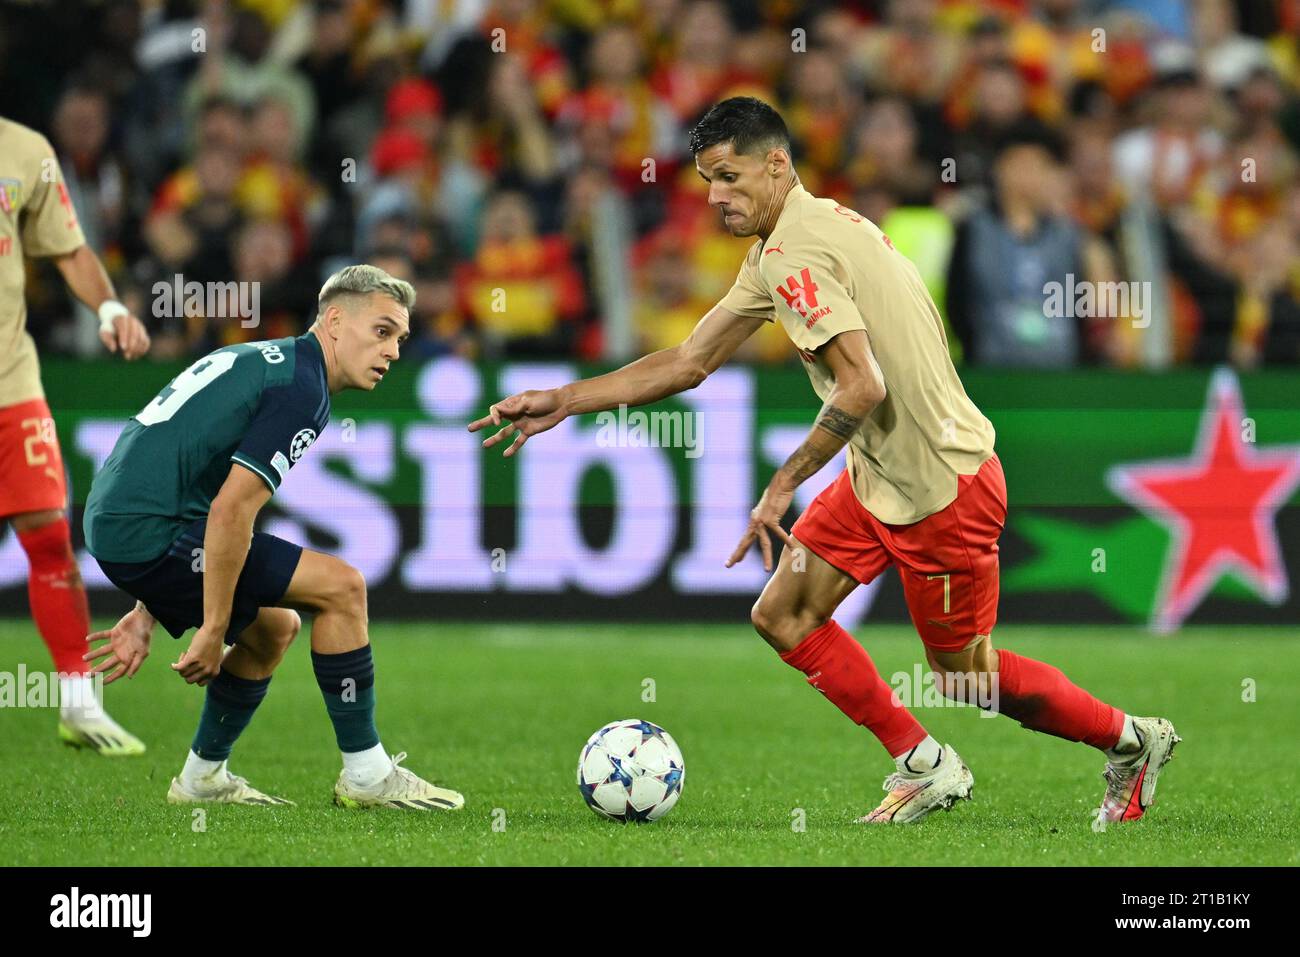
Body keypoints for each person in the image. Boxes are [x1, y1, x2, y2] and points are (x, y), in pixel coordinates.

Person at [469, 97, 1179, 826]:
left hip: (943, 488)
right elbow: (689, 360)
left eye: (729, 177)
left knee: (966, 676)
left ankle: (1132, 741)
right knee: (783, 613)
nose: (715, 197)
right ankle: (924, 764)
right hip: (878, 479)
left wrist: (783, 484)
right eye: (708, 181)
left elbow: (862, 385)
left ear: (776, 164)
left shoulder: (794, 254)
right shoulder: (801, 235)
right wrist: (566, 398)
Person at [82, 265, 464, 811]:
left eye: (400, 338)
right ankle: (367, 774)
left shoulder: (268, 360)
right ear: (335, 321)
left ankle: (201, 780)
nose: (393, 351)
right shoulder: (301, 388)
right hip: (147, 529)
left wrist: (148, 610)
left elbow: (190, 474)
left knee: (273, 629)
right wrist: (212, 628)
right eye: (382, 332)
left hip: (121, 522)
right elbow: (231, 509)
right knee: (343, 588)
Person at [0, 115, 151, 755]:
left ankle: (79, 704)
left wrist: (109, 307)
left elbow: (67, 248)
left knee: (48, 535)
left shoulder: (25, 149)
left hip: (11, 381)